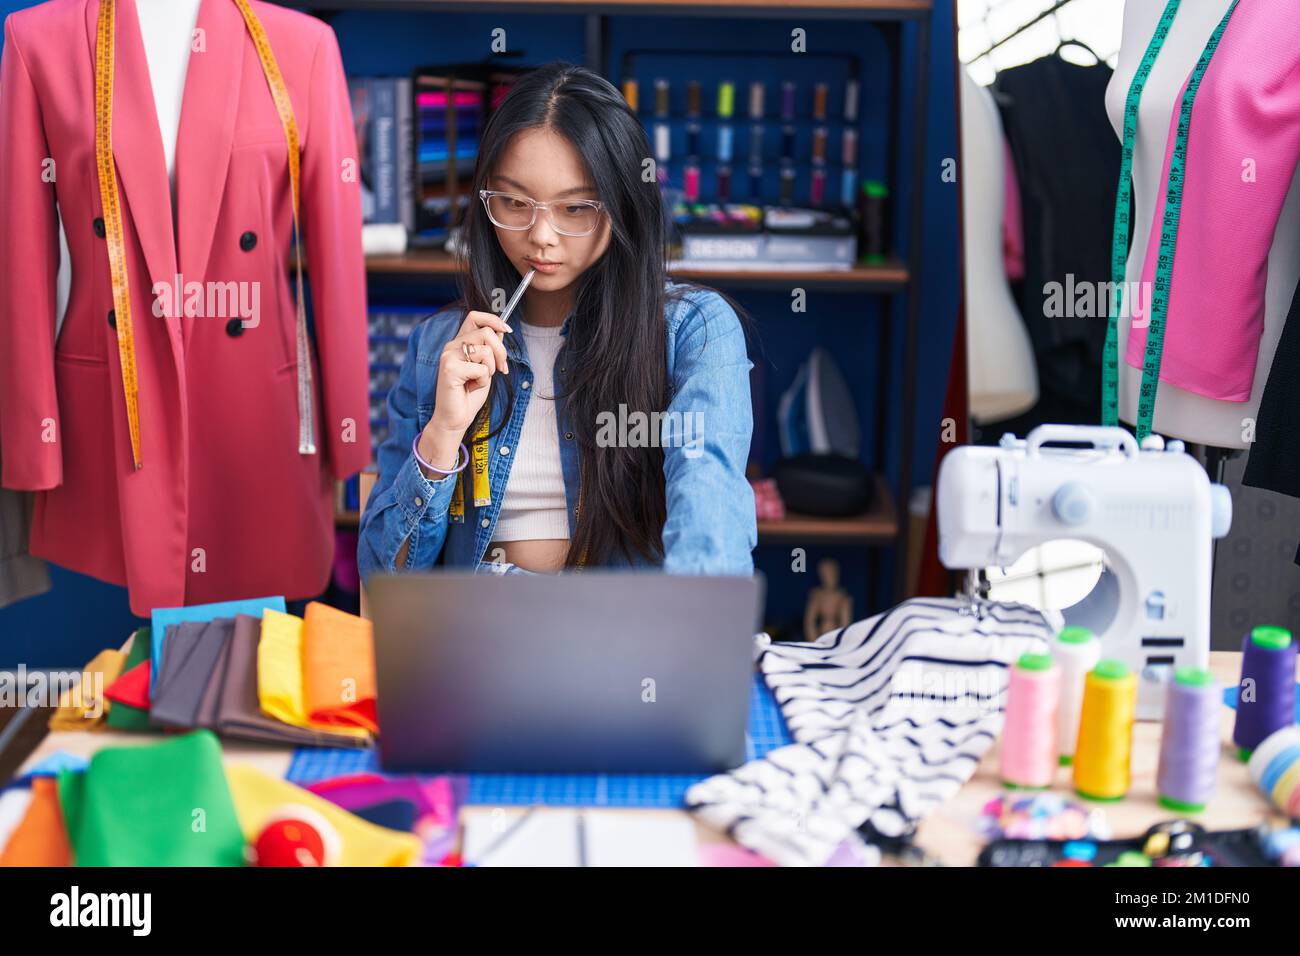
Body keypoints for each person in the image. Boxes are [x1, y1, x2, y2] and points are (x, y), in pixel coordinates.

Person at [357, 62, 757, 578]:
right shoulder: (439, 346)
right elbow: (385, 579)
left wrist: (682, 643)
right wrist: (443, 433)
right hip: (476, 642)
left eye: (575, 209)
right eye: (515, 202)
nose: (541, 236)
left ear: (622, 206)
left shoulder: (694, 331)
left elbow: (710, 516)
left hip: (624, 645)